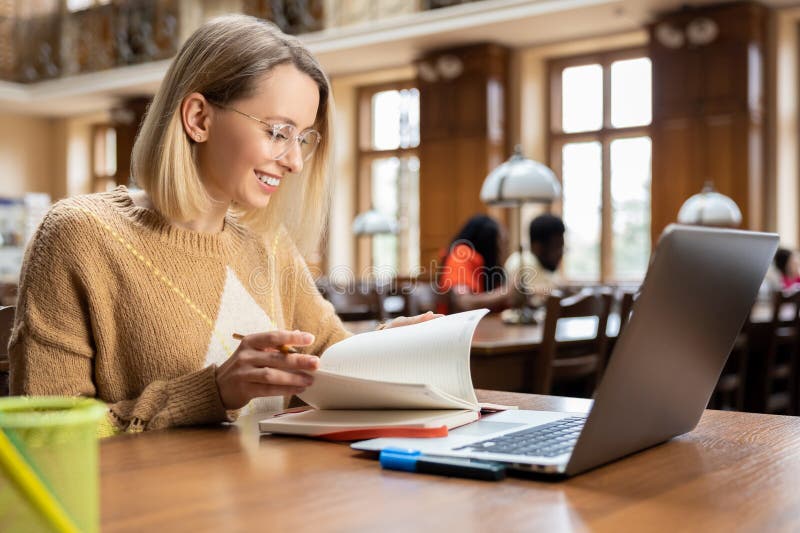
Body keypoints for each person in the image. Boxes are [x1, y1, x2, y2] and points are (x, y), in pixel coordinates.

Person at [8, 15, 437, 434]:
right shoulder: (78, 235)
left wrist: (387, 345)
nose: (295, 161)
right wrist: (209, 391)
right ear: (199, 119)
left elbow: (327, 356)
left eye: (303, 137)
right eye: (278, 132)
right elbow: (47, 435)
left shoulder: (269, 243)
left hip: (276, 496)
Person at [438, 214, 511, 312]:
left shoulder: (487, 266)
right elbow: (463, 302)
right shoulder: (461, 255)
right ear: (488, 242)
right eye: (502, 244)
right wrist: (506, 293)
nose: (505, 251)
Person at [504, 213, 565, 306]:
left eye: (562, 247)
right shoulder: (521, 263)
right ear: (537, 246)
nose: (561, 253)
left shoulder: (546, 266)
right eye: (557, 247)